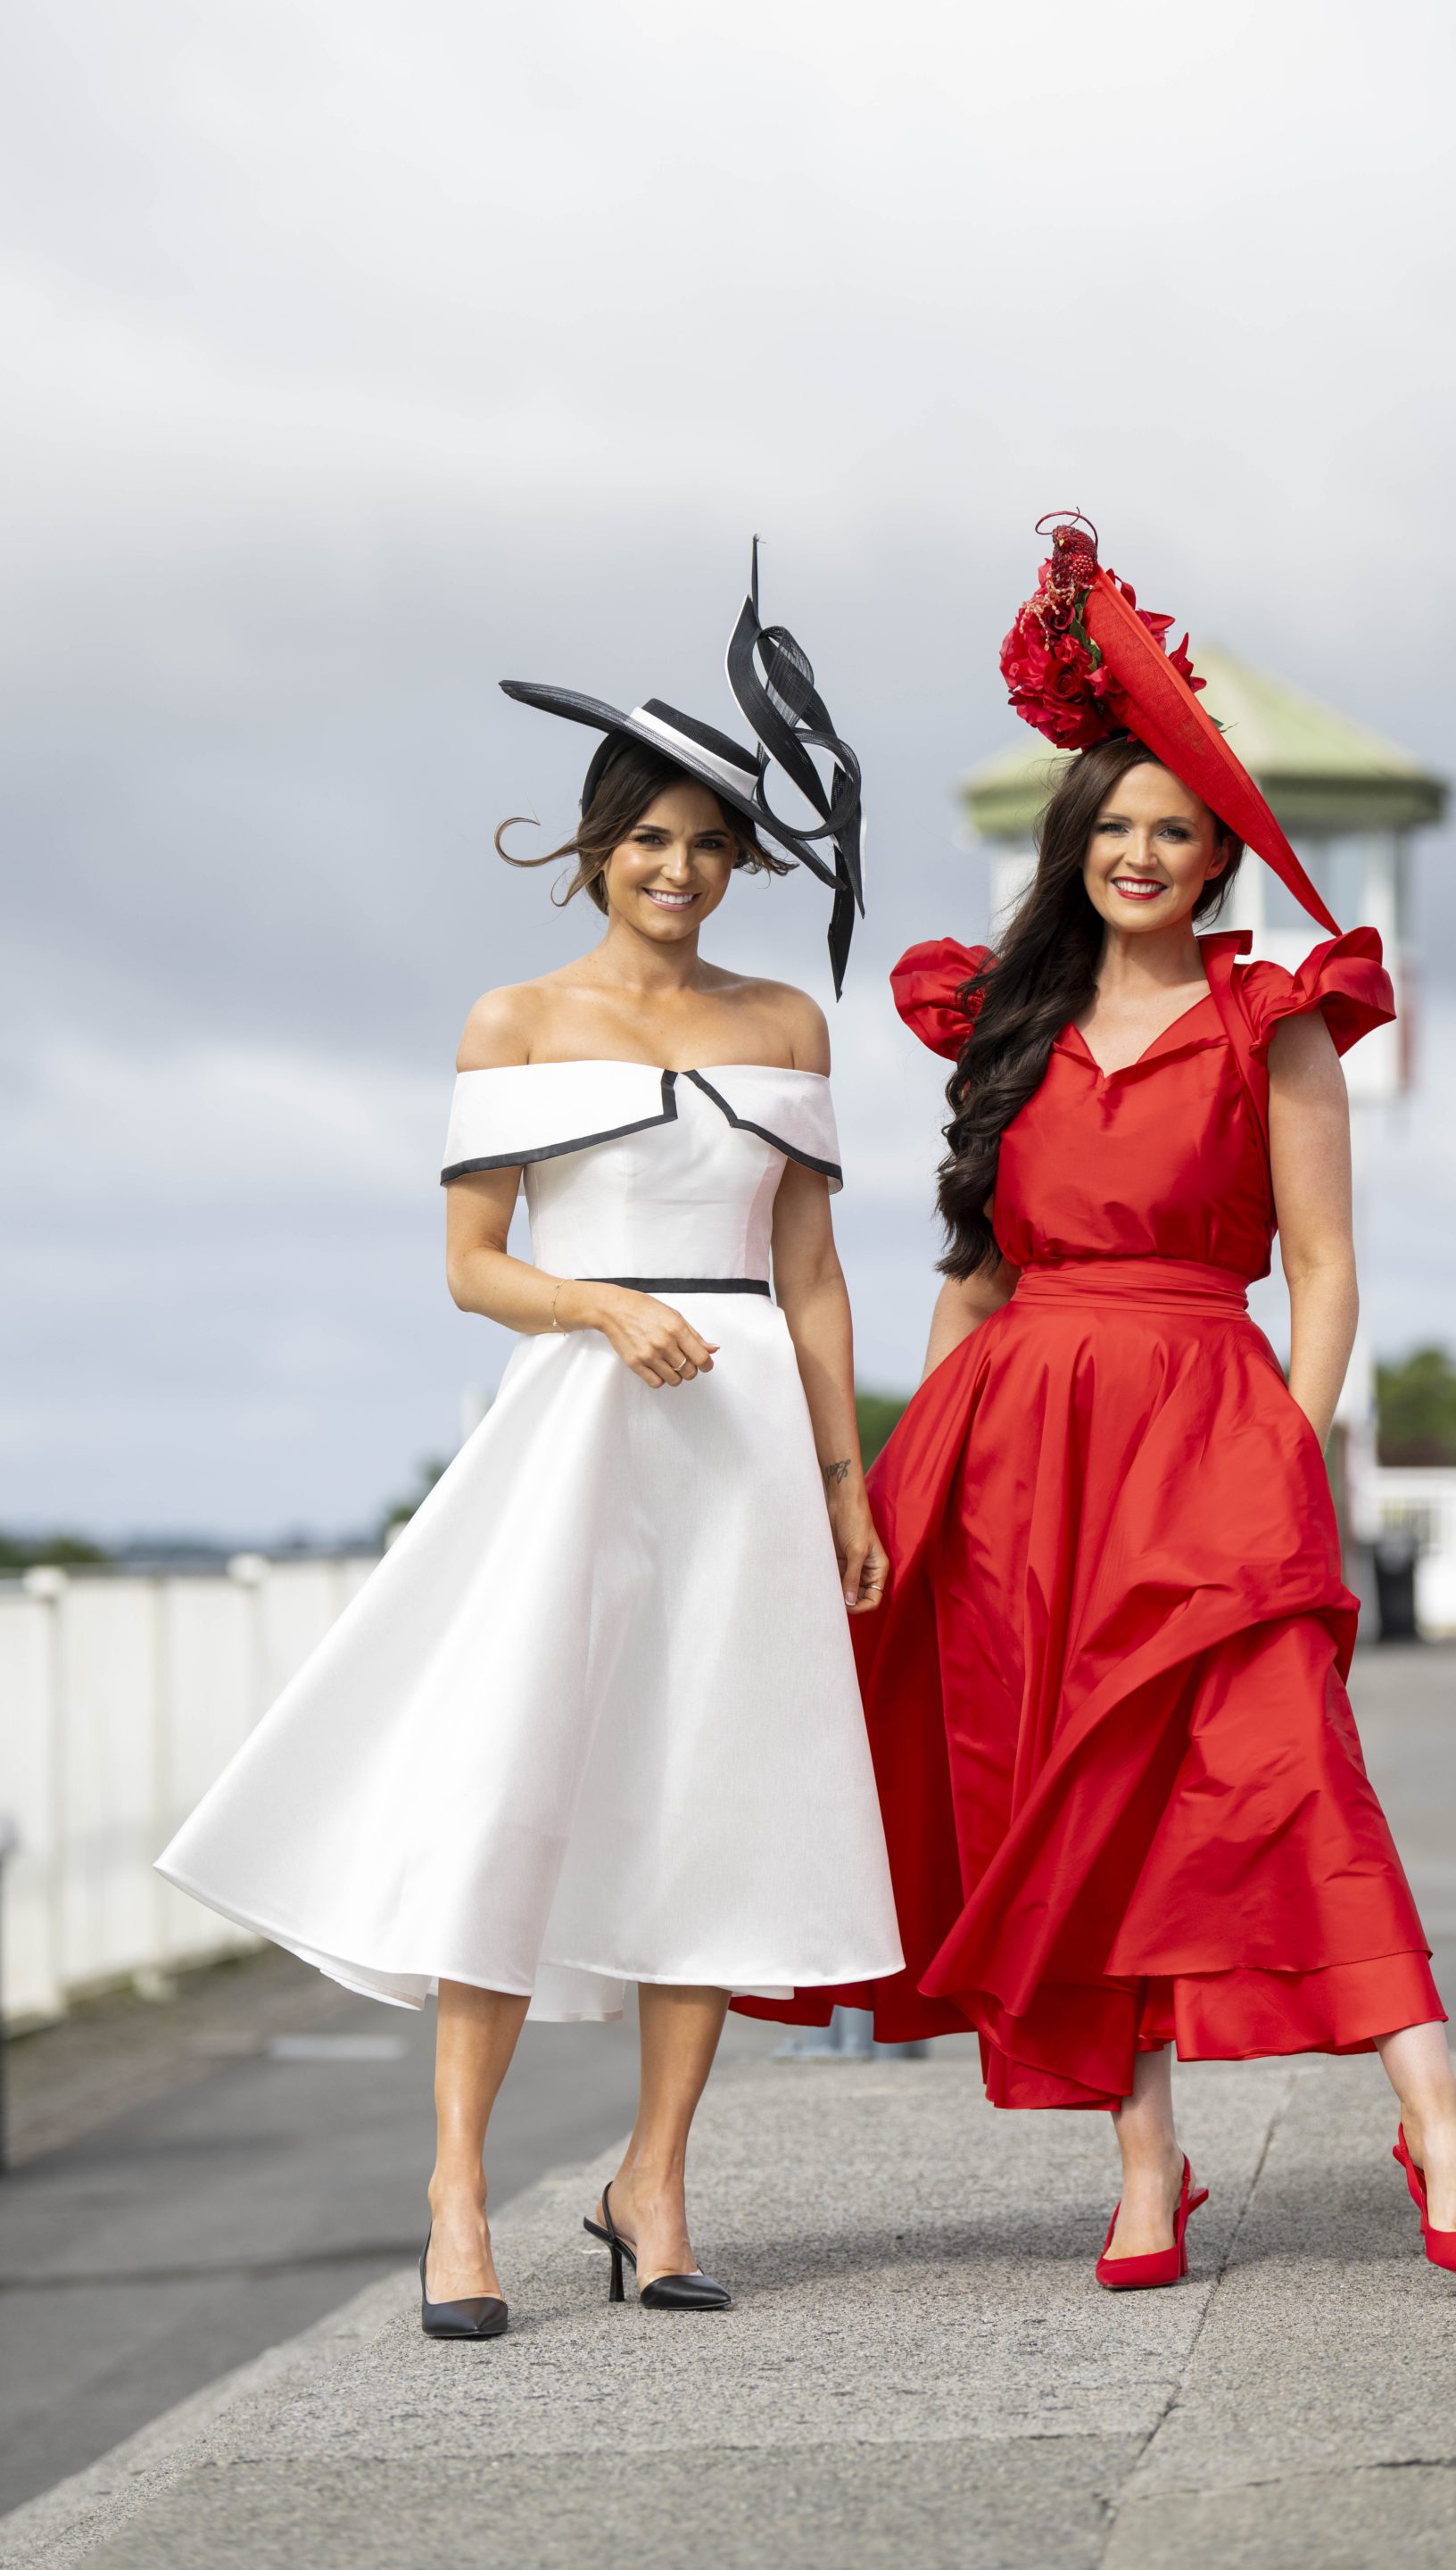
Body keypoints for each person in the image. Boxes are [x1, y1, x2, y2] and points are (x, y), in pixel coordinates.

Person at [739, 516, 1456, 2289]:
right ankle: (1148, 2171)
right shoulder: (997, 1027)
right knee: (1065, 1805)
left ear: (1218, 855)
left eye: (1178, 830)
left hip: (1209, 1430)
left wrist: (1290, 1455)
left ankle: (1435, 2109)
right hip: (1016, 1458)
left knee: (1293, 1767)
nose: (1144, 853)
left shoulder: (1273, 1023)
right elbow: (971, 1280)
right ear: (1072, 848)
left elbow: (1324, 1270)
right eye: (1118, 828)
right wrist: (903, 1486)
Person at [158, 556, 902, 2330]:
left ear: (743, 864)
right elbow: (472, 1268)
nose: (678, 870)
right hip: (582, 1427)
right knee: (512, 1786)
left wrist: (842, 1472)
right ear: (592, 847)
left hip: (743, 1448)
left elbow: (807, 1273)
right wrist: (602, 1311)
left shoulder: (789, 1026)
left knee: (718, 1797)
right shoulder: (515, 1022)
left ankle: (655, 2186)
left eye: (711, 845)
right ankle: (457, 2199)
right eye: (648, 839)